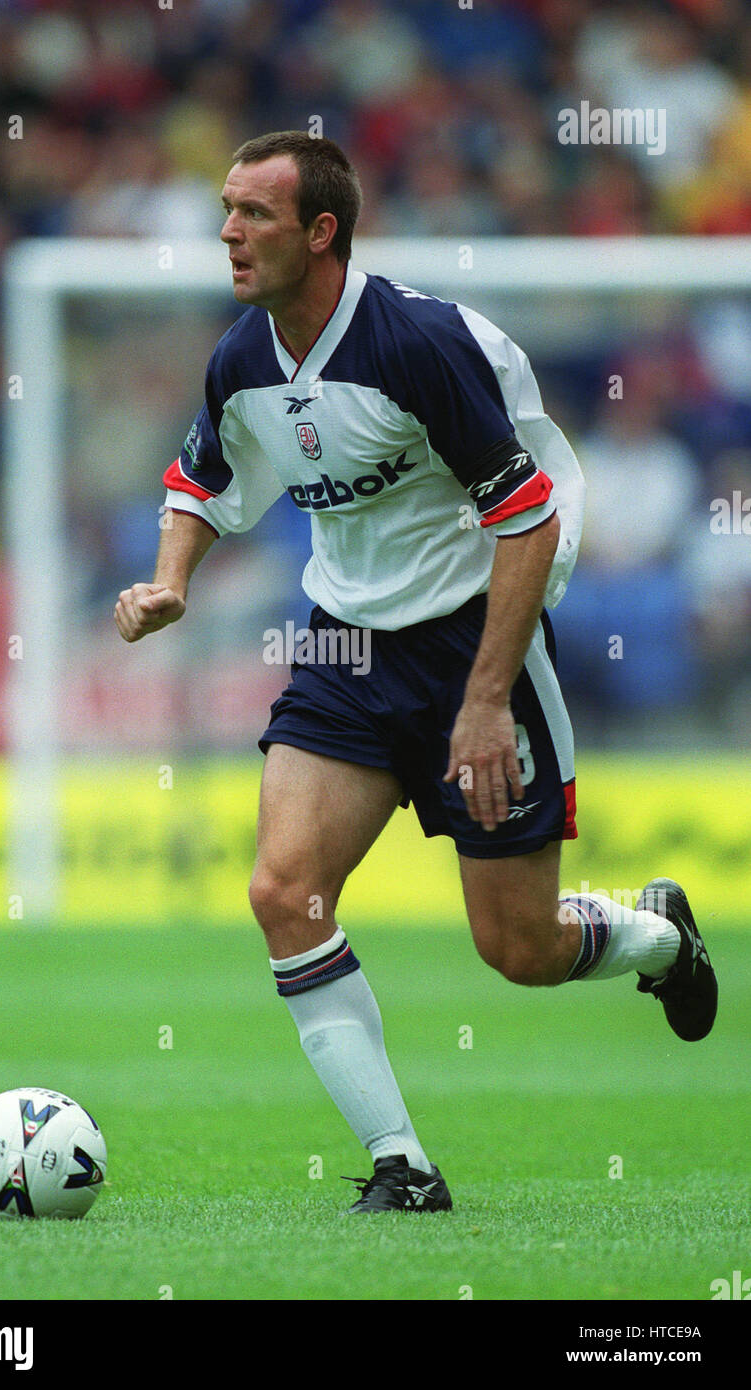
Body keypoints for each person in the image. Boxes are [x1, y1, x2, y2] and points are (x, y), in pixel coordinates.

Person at [114, 131, 717, 1214]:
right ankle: (401, 1163)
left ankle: (656, 935)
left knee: (518, 950)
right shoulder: (242, 357)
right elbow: (200, 479)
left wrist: (484, 701)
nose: (227, 233)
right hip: (344, 648)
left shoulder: (420, 344)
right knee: (281, 891)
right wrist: (170, 581)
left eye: (253, 214)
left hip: (470, 642)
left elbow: (525, 521)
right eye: (225, 210)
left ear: (320, 232)